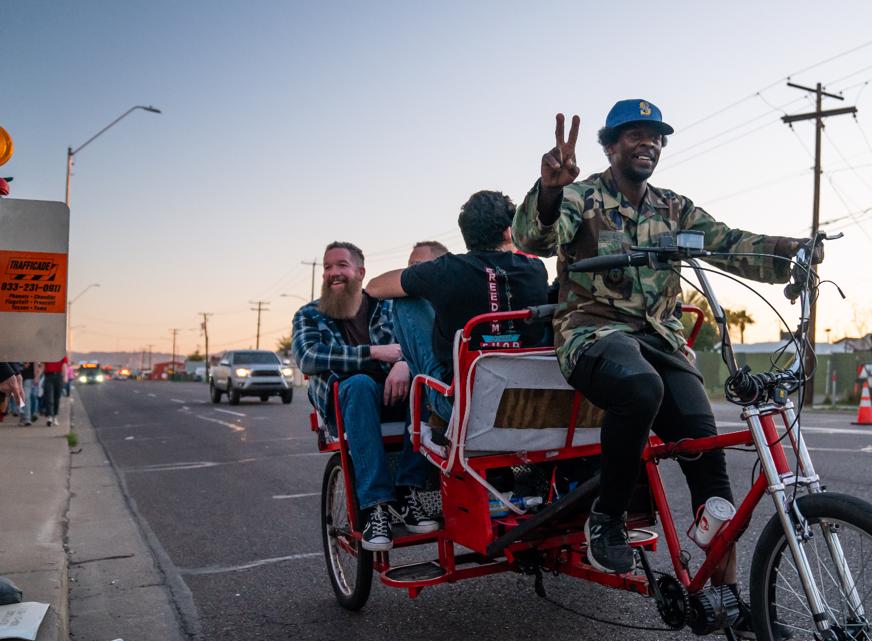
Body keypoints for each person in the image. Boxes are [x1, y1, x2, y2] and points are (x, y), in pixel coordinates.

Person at [512, 99, 819, 599]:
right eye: (634, 134)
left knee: (708, 460)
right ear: (610, 146)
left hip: (662, 339)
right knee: (639, 387)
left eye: (655, 136)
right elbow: (534, 237)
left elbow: (730, 242)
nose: (647, 143)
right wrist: (550, 189)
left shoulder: (674, 208)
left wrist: (793, 251)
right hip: (593, 332)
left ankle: (726, 595)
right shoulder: (581, 196)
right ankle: (608, 517)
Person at [292, 241, 439, 552]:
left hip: (394, 394)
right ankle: (375, 508)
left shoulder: (388, 307)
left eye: (341, 265)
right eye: (328, 267)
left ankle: (409, 491)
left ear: (360, 272)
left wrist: (403, 363)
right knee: (358, 383)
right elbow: (308, 357)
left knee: (427, 382)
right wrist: (373, 353)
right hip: (345, 399)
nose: (333, 273)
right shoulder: (309, 315)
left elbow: (418, 346)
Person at [364, 191, 550, 424]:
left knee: (406, 301)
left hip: (461, 406)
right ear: (508, 231)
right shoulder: (536, 268)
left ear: (466, 235)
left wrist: (418, 278)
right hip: (524, 400)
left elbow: (373, 287)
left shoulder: (446, 269)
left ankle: (430, 403)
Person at [42, 357, 66, 427]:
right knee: (49, 398)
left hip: (58, 376)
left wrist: (65, 376)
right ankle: (49, 417)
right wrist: (37, 376)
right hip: (48, 377)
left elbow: (64, 365)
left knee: (57, 398)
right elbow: (43, 366)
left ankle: (55, 416)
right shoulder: (47, 354)